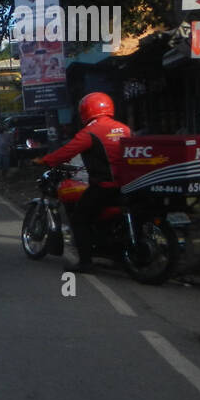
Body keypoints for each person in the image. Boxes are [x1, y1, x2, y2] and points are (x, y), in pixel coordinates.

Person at [34, 92, 131, 273]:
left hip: (105, 187)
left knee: (79, 219)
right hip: (127, 186)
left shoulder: (90, 132)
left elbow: (67, 152)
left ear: (85, 111)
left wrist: (45, 160)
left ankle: (85, 262)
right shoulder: (124, 128)